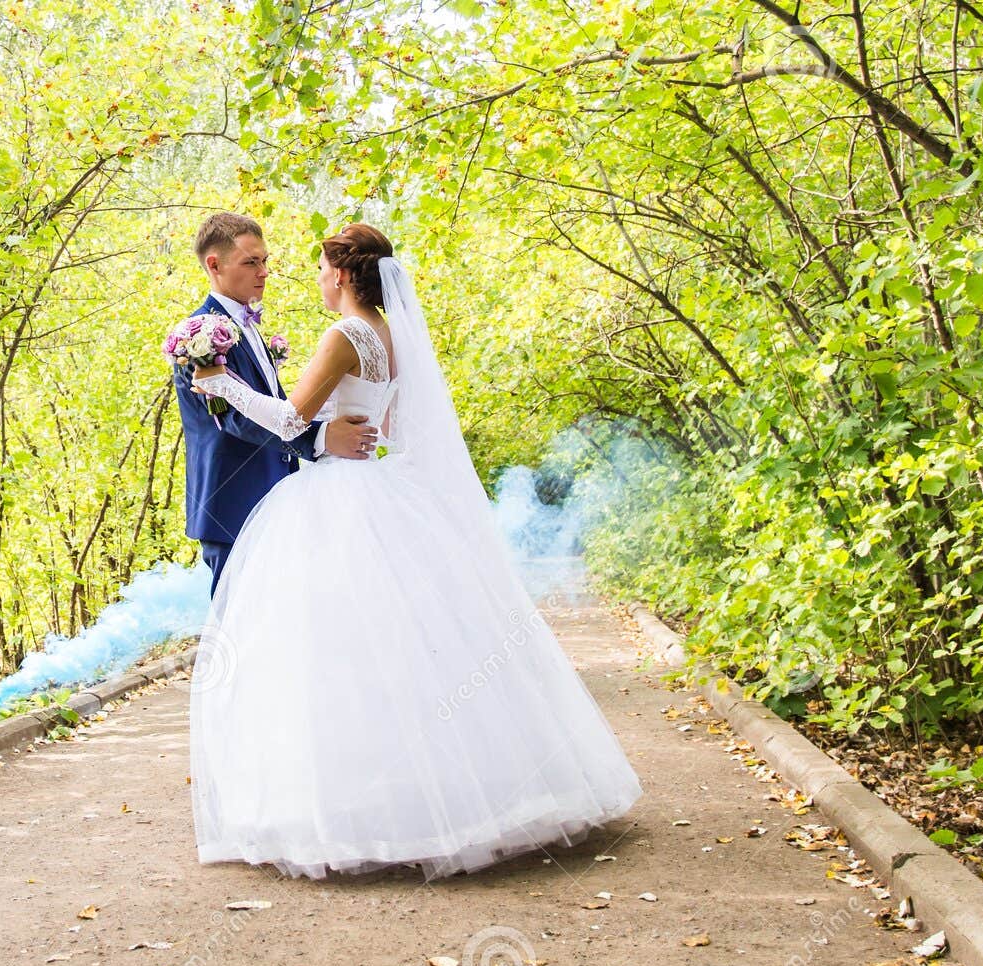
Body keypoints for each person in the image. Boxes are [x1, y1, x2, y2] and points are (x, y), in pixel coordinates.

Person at [181, 222, 643, 880]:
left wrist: (219, 383)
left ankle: (349, 805)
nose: (310, 278)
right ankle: (436, 794)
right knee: (394, 648)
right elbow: (386, 424)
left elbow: (289, 418)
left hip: (336, 497)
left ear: (341, 275)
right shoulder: (392, 337)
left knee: (330, 653)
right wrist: (334, 429)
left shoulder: (343, 335)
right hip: (379, 486)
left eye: (318, 268)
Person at [171, 213, 381, 595]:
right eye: (251, 262)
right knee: (239, 626)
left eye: (265, 260)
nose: (264, 272)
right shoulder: (197, 338)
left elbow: (276, 405)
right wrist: (321, 439)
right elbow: (234, 420)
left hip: (279, 494)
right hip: (233, 503)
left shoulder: (248, 326)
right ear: (213, 265)